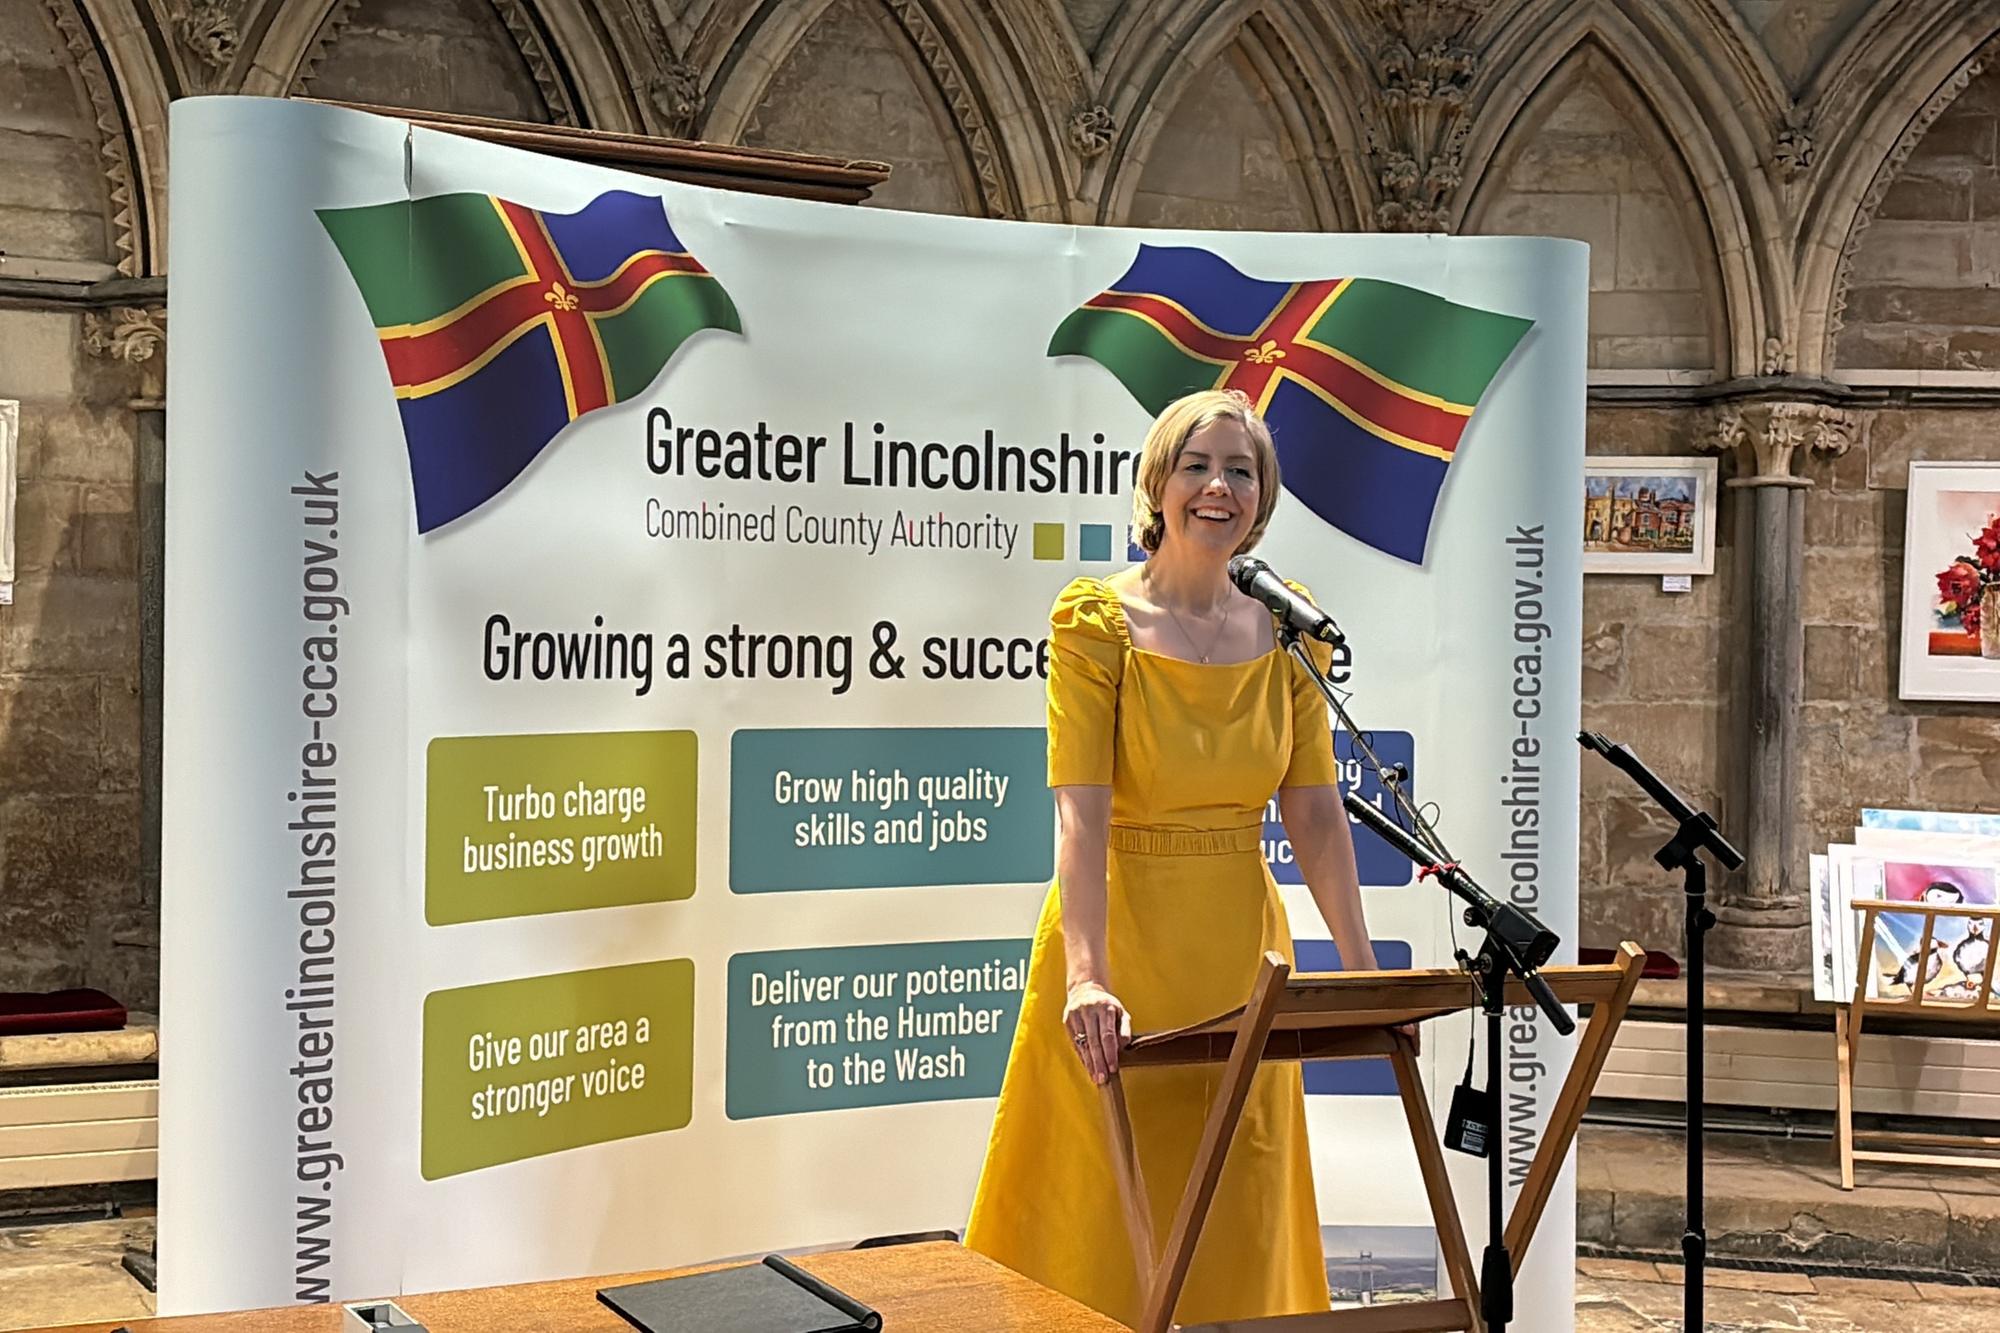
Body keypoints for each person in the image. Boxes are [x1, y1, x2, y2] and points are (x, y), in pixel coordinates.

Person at [964, 388, 1387, 1325]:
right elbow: (1080, 813)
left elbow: (1315, 813)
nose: (1218, 487)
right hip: (1121, 950)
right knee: (1103, 1216)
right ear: (1158, 484)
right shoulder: (1094, 621)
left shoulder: (1289, 626)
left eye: (1241, 471)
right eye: (1198, 466)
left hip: (1243, 957)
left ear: (1262, 498)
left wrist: (1362, 970)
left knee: (1241, 1200)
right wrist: (1085, 977)